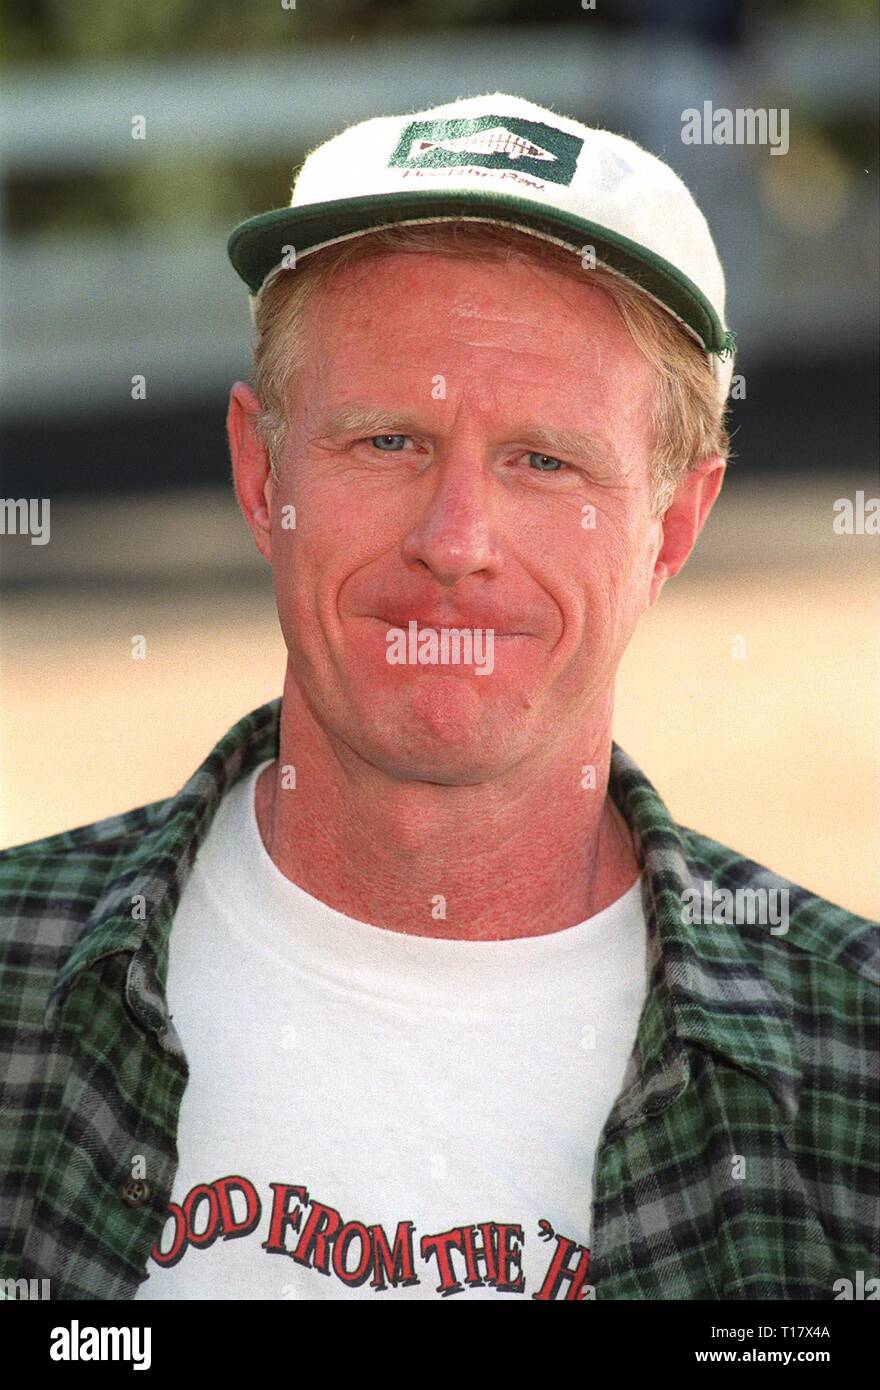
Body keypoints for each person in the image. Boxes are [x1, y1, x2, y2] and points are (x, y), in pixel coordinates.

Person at [0, 93, 876, 1303]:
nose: (456, 541)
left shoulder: (854, 1068)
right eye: (388, 443)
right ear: (263, 473)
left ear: (673, 523)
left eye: (543, 460)